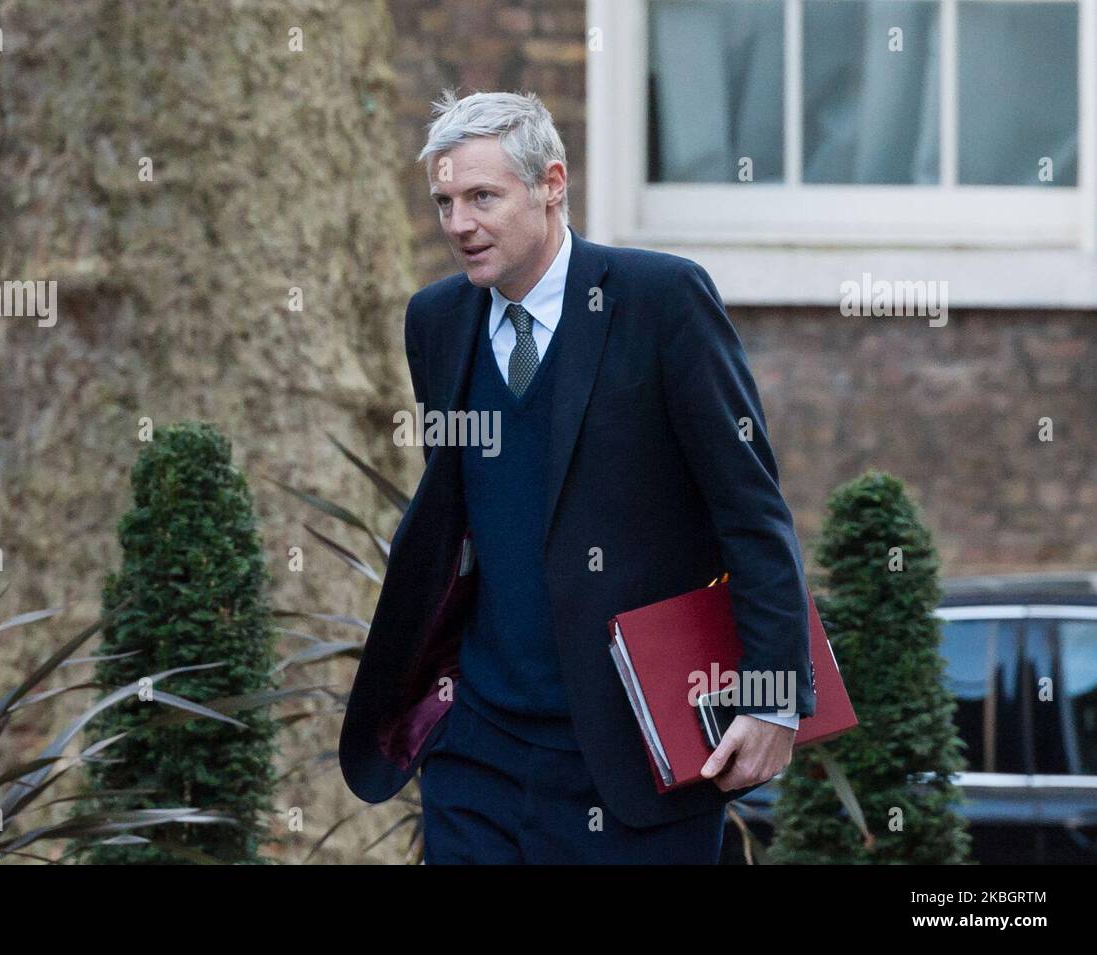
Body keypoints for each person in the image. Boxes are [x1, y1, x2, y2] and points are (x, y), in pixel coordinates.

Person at [338, 89, 815, 864]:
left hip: (634, 759)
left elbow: (752, 511)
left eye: (483, 196)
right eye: (445, 201)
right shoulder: (436, 321)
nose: (459, 223)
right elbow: (468, 516)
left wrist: (772, 697)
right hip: (478, 757)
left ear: (551, 183)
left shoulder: (662, 301)